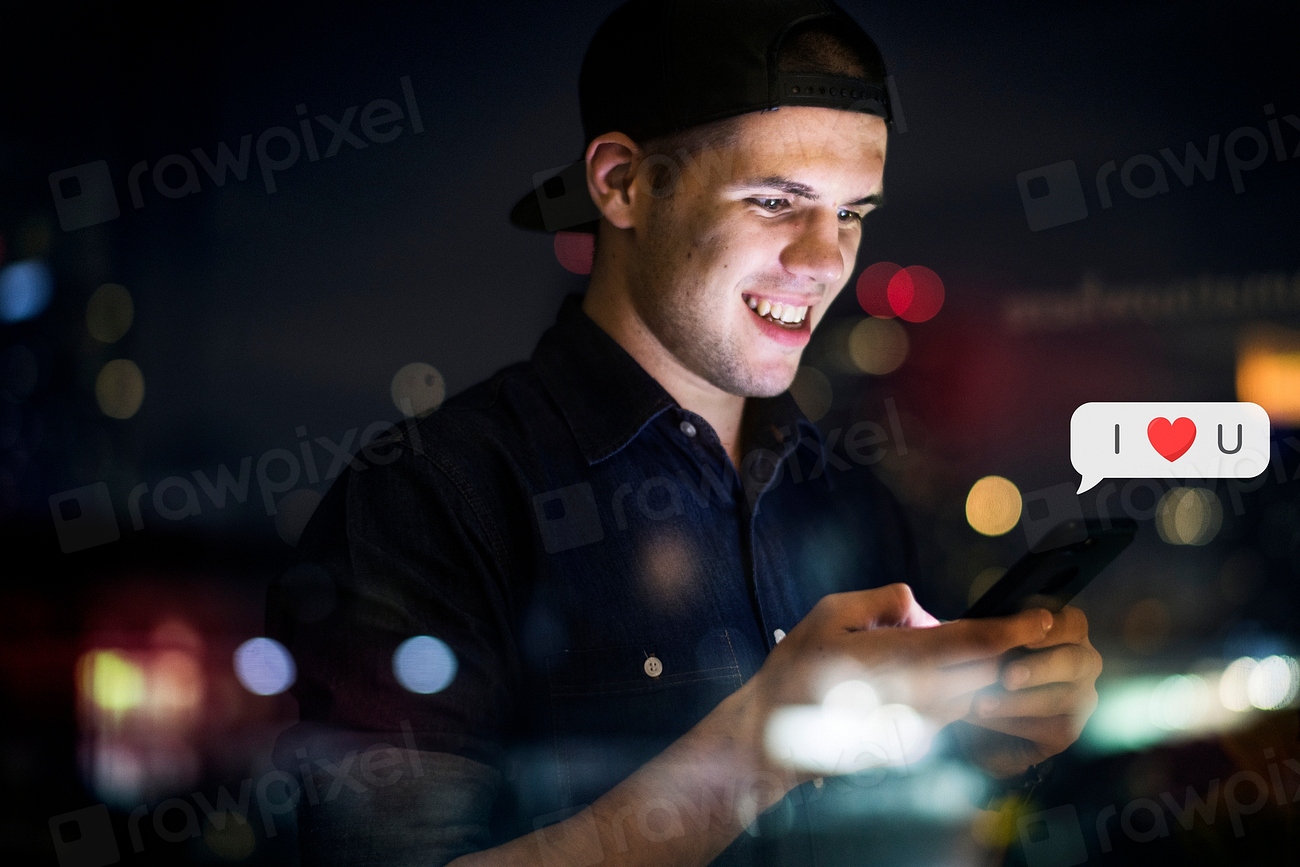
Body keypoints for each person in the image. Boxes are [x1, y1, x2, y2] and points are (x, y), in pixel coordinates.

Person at [270, 2, 1102, 864]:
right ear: (623, 184)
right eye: (777, 201)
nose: (825, 260)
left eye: (852, 213)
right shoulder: (430, 501)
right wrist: (764, 745)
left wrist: (989, 745)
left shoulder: (850, 502)